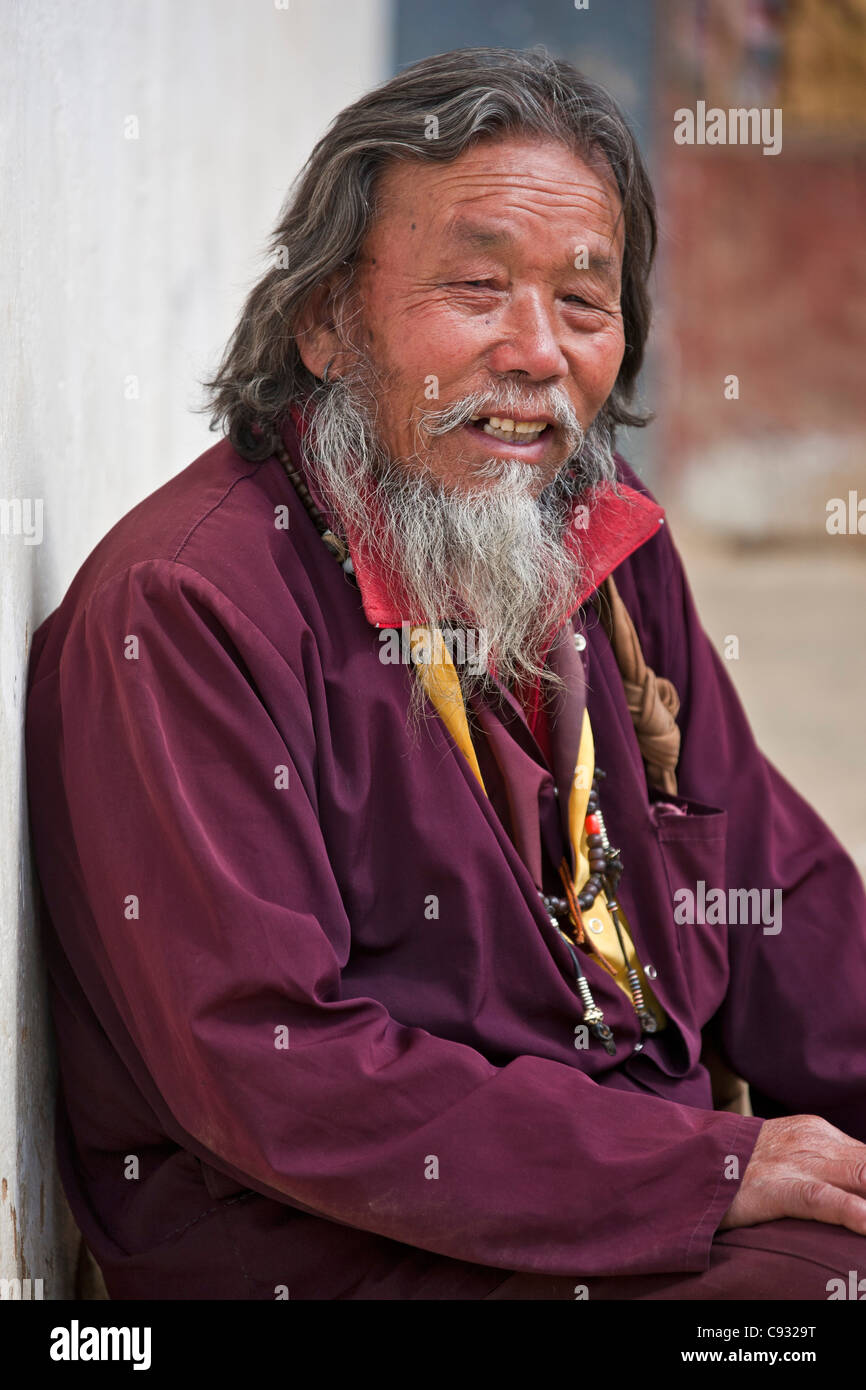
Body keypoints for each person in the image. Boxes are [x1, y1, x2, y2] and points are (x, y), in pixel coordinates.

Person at [25, 47, 866, 1301]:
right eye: (476, 288)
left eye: (583, 303)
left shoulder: (600, 530)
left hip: (634, 1168)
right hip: (347, 1246)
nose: (536, 351)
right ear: (322, 322)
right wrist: (701, 1167)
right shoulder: (184, 610)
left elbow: (759, 874)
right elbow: (268, 1064)